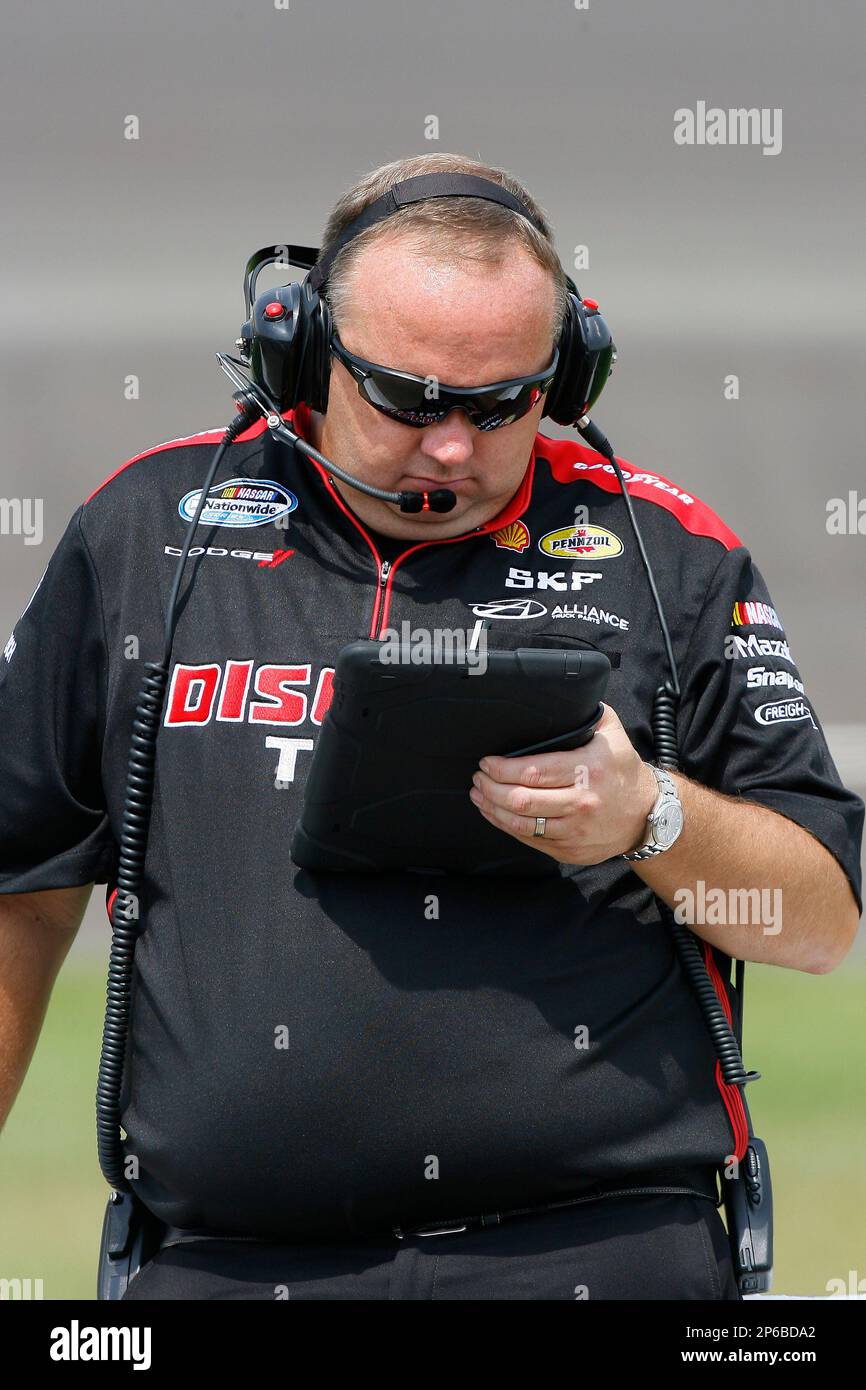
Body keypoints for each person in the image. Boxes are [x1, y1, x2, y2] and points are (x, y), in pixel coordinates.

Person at [0, 152, 862, 1302]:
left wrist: (650, 816)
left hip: (597, 1259)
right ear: (298, 355)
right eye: (407, 397)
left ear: (570, 375)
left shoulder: (671, 559)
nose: (451, 446)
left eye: (502, 401)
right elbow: (22, 885)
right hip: (222, 1267)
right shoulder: (144, 536)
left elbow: (817, 921)